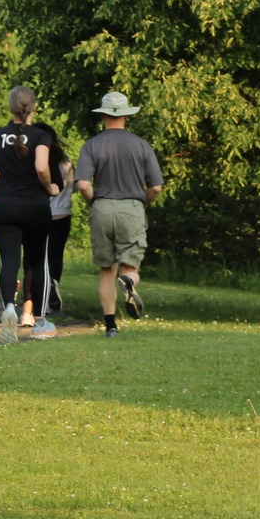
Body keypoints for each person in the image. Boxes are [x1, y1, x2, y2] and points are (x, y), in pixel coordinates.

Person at [75, 91, 164, 336]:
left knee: (106, 270)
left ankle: (111, 326)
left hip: (102, 207)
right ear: (127, 116)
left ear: (103, 115)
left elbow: (82, 184)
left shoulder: (92, 145)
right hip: (132, 208)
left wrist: (94, 202)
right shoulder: (141, 145)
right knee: (129, 266)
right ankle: (129, 283)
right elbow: (156, 187)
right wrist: (143, 202)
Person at [0, 86, 60, 341]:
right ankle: (40, 321)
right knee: (38, 263)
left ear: (10, 108)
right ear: (33, 108)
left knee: (9, 261)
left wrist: (9, 171)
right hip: (35, 207)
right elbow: (40, 167)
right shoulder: (41, 136)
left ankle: (8, 310)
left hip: (4, 206)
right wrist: (50, 187)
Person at [44, 122, 77, 320]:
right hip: (63, 214)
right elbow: (71, 188)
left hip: (41, 213)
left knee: (40, 256)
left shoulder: (37, 160)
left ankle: (43, 298)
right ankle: (54, 281)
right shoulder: (65, 161)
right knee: (56, 255)